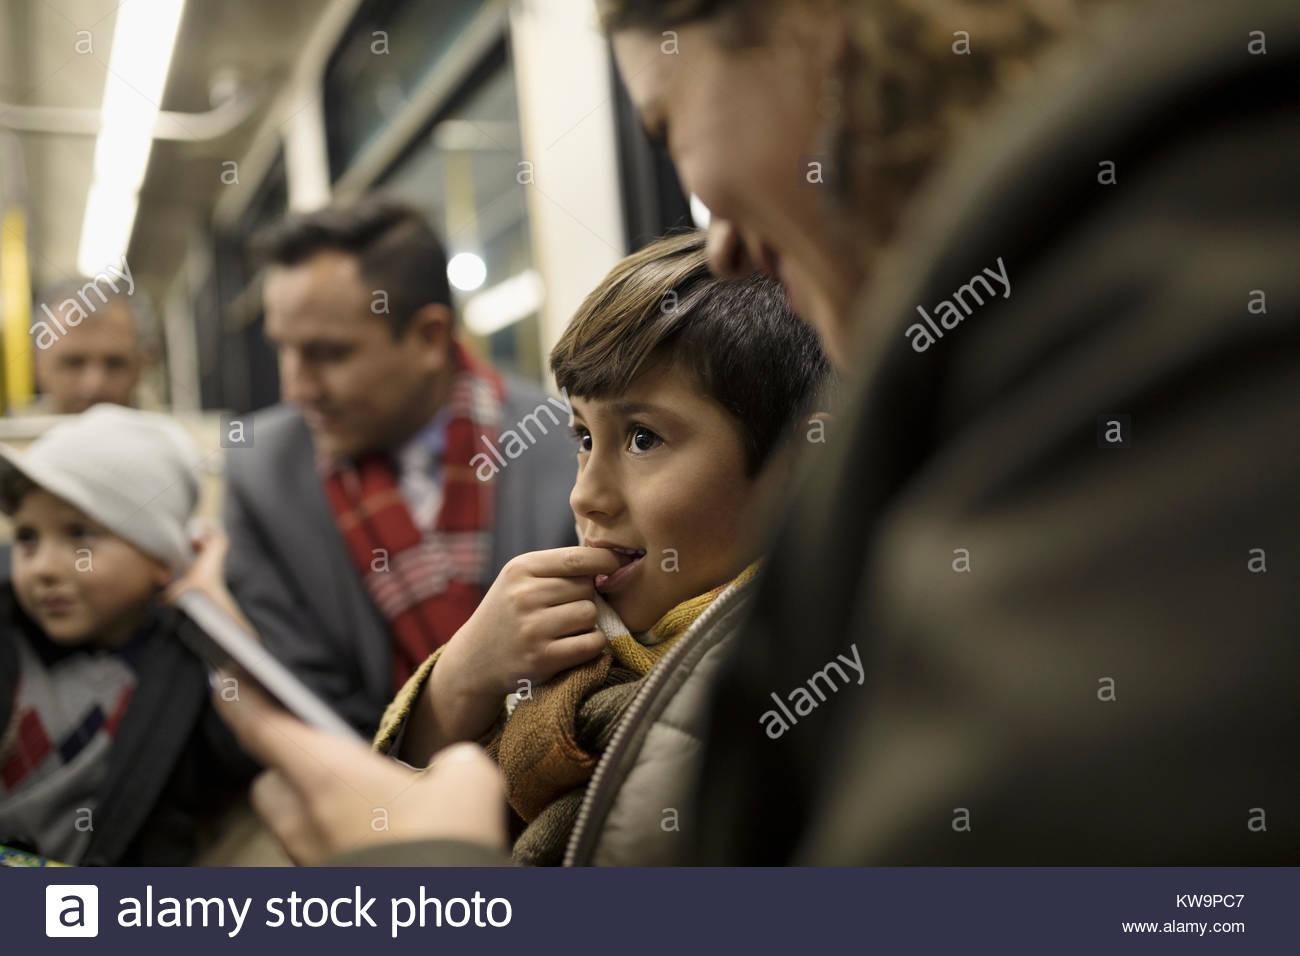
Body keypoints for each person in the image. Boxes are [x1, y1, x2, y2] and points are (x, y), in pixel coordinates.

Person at [214, 0, 1298, 864]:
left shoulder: (1179, 269)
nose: (721, 240)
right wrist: (451, 697)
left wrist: (435, 881)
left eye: (665, 126)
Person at [373, 231, 830, 864]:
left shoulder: (812, 699)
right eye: (584, 436)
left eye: (643, 439)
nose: (584, 497)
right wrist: (455, 686)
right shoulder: (567, 653)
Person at [223, 197, 577, 736]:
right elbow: (311, 708)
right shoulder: (261, 476)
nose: (296, 389)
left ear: (430, 338)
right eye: (285, 351)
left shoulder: (570, 444)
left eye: (329, 354)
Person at [0, 406, 256, 865]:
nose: (42, 568)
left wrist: (221, 618)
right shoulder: (9, 636)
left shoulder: (186, 673)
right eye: (27, 538)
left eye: (80, 535)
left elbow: (247, 755)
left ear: (162, 560)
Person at [27, 275, 153, 415]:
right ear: (37, 365)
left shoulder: (173, 435)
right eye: (73, 363)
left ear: (142, 364)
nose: (94, 386)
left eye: (115, 364)